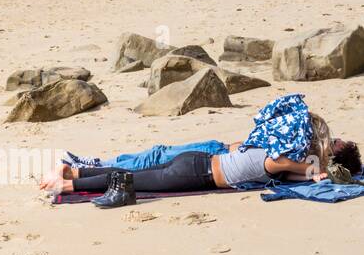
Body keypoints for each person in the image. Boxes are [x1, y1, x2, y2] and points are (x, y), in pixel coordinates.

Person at [42, 95, 360, 208]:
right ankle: (70, 184)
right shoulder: (279, 159)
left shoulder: (275, 151)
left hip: (198, 164)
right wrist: (316, 171)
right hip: (196, 172)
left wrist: (314, 170)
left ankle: (78, 174)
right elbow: (295, 170)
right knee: (132, 180)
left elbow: (293, 172)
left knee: (136, 173)